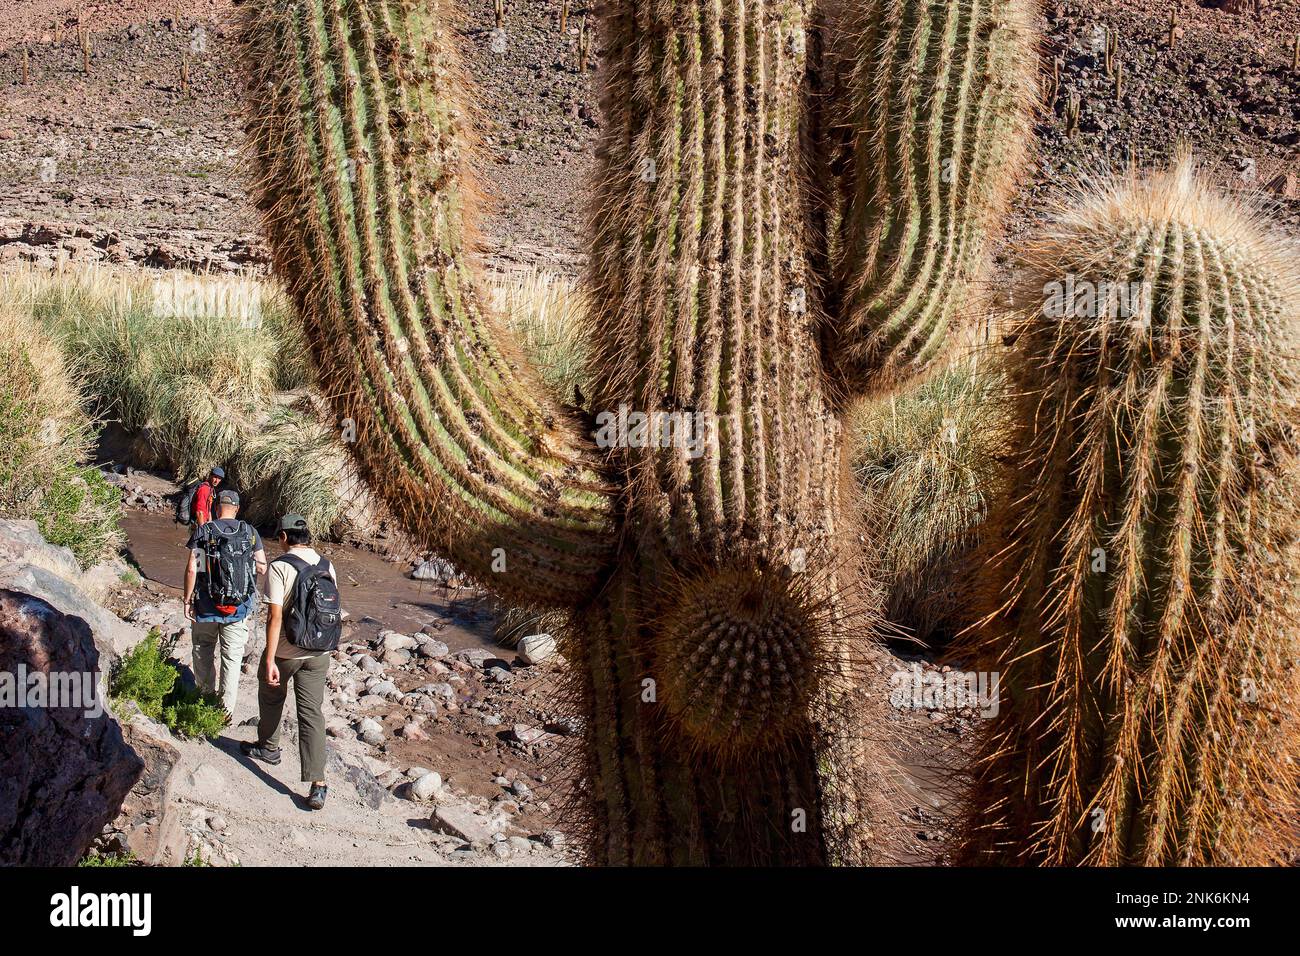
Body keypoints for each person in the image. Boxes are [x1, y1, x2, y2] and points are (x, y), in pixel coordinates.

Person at [241, 514, 340, 811]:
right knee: (311, 713)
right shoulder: (326, 564)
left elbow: (275, 617)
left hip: (286, 650)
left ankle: (269, 748)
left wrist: (269, 658)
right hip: (319, 651)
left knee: (270, 695)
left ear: (284, 537)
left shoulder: (280, 566)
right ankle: (318, 783)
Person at [183, 489, 267, 719]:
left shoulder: (204, 530)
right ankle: (225, 714)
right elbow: (262, 567)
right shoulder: (249, 531)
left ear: (216, 507)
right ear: (237, 509)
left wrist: (187, 599)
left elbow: (193, 568)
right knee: (231, 659)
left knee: (202, 652)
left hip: (206, 606)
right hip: (237, 609)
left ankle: (204, 702)